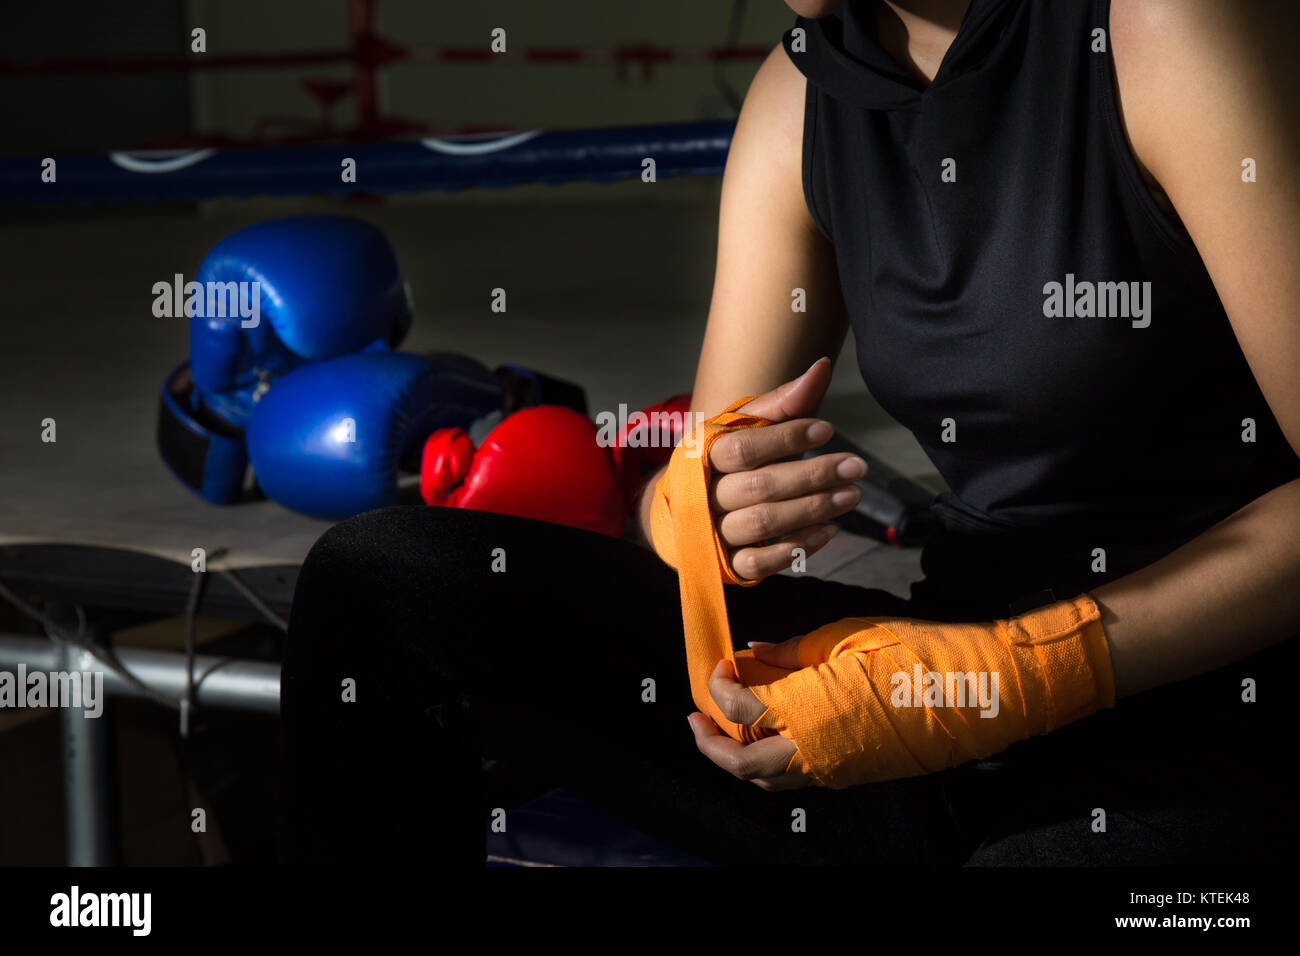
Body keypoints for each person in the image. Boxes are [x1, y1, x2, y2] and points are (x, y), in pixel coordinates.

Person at [280, 0, 1300, 865]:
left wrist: (1023, 669)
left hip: (1209, 707)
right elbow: (701, 487)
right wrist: (697, 508)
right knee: (386, 583)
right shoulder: (803, 92)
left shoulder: (1163, 30)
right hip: (911, 693)